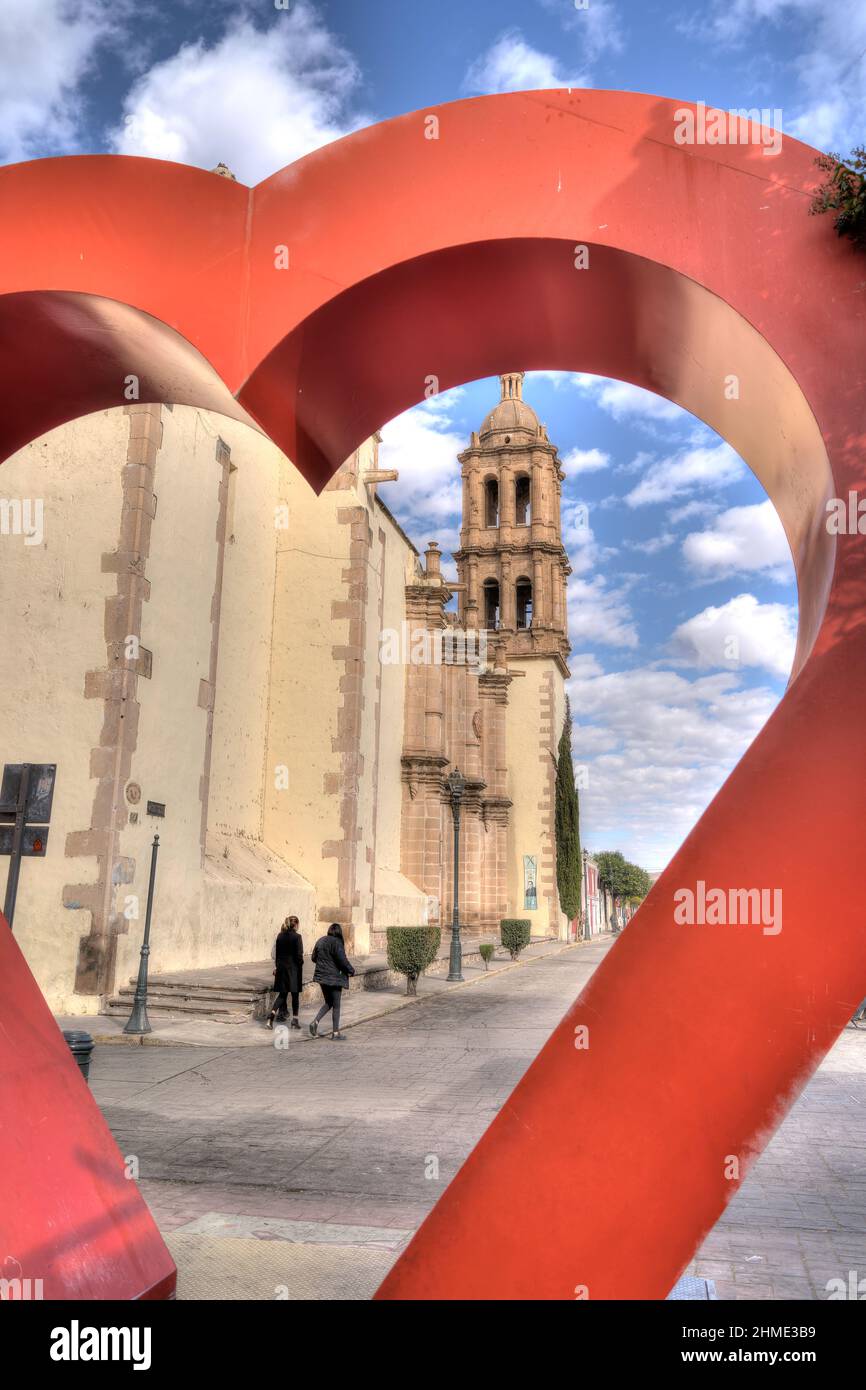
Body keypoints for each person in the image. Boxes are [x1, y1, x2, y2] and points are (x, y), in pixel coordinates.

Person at [309, 923, 355, 1040]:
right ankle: (335, 1033)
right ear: (339, 932)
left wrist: (324, 962)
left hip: (322, 977)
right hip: (334, 978)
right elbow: (342, 961)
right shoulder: (337, 943)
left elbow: (314, 958)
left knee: (329, 1002)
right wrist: (351, 970)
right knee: (336, 1005)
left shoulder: (321, 940)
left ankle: (315, 1021)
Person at [267, 916, 303, 1030]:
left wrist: (277, 967)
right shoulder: (297, 937)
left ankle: (270, 1018)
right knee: (295, 995)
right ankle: (295, 1021)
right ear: (296, 924)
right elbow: (299, 955)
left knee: (282, 995)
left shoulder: (280, 936)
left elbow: (277, 955)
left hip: (282, 969)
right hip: (293, 970)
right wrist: (300, 964)